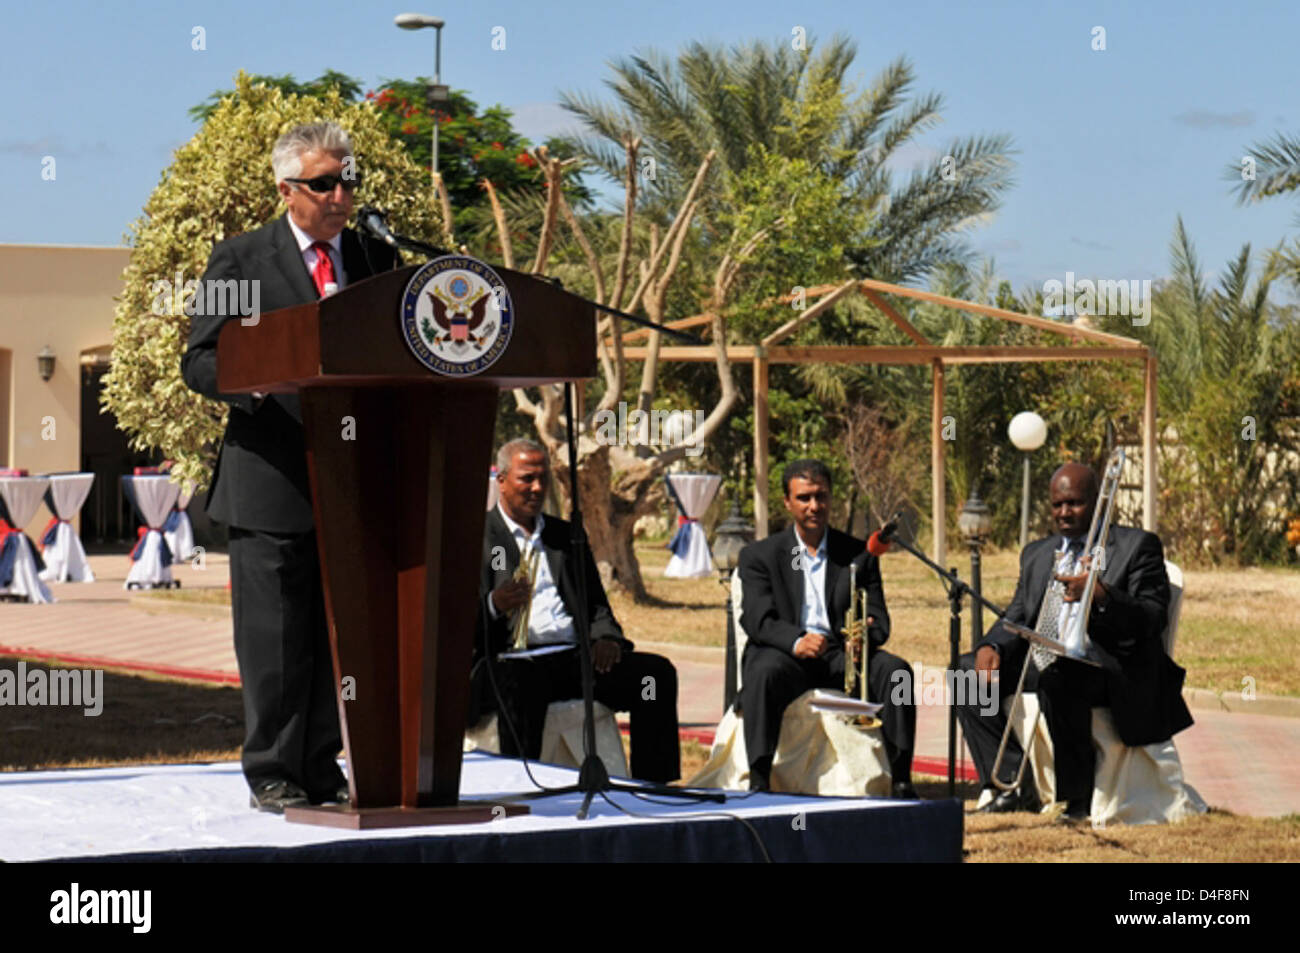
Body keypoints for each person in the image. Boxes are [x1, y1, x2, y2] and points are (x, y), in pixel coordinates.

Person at [181, 121, 400, 813]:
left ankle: (322, 764)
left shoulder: (373, 257)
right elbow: (200, 359)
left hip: (351, 481)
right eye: (324, 183)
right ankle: (272, 770)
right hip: (269, 481)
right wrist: (264, 381)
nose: (340, 195)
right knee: (276, 639)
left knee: (339, 636)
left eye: (347, 181)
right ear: (286, 189)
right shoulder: (240, 260)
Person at [955, 462, 1193, 822]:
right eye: (1057, 505)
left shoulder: (1136, 546)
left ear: (1099, 502)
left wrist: (1101, 595)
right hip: (1046, 657)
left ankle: (1076, 800)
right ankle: (1012, 783)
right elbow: (1017, 615)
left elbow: (1151, 619)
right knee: (965, 672)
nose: (1064, 512)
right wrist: (993, 646)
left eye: (1075, 503)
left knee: (1060, 675)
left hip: (1109, 668)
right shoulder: (1036, 553)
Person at [471, 439, 681, 783]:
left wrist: (606, 637)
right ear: (502, 481)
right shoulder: (478, 537)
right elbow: (452, 625)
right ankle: (521, 794)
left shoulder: (565, 536)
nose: (537, 488)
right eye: (527, 479)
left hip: (572, 659)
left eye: (543, 479)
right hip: (511, 660)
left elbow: (595, 604)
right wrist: (495, 604)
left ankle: (652, 785)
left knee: (653, 675)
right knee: (522, 686)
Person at [737, 459, 917, 796]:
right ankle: (759, 778)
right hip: (786, 655)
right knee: (762, 671)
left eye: (821, 496)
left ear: (831, 498)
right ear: (787, 502)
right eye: (804, 498)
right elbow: (758, 620)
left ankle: (902, 778)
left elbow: (879, 618)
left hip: (841, 654)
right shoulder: (760, 555)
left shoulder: (858, 553)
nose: (814, 506)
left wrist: (865, 634)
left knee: (898, 673)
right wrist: (796, 641)